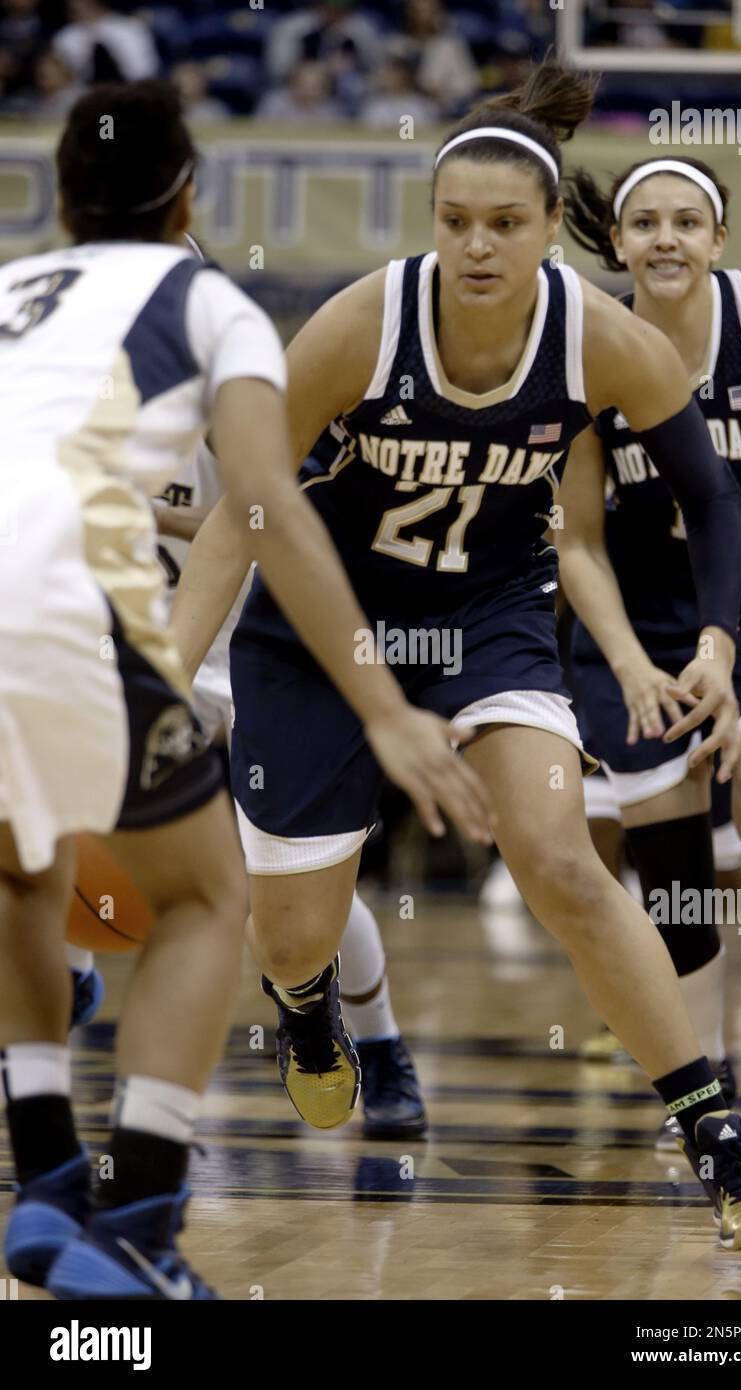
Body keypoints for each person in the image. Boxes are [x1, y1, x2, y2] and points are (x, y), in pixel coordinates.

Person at [172, 59, 741, 1249]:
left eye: (504, 225)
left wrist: (717, 639)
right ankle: (308, 1008)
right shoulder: (358, 324)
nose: (476, 248)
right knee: (294, 930)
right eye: (455, 223)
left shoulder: (605, 341)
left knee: (562, 857)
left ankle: (718, 1133)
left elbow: (711, 496)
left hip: (487, 621)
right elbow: (244, 510)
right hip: (322, 628)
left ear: (550, 230)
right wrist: (161, 681)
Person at [0, 80, 483, 1301]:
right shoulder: (213, 305)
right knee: (214, 904)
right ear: (189, 199)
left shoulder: (12, 294)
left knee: (33, 874)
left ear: (56, 200)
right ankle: (140, 1227)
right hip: (105, 617)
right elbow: (268, 509)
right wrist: (381, 702)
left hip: (120, 632)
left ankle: (48, 1181)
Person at [558, 157, 741, 1147]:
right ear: (618, 244)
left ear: (718, 239)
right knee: (672, 897)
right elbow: (576, 537)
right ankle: (714, 1123)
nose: (666, 237)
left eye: (687, 221)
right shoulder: (586, 354)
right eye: (646, 223)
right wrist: (626, 660)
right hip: (644, 621)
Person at [154, 416, 427, 1141]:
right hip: (143, 651)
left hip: (243, 641)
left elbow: (264, 510)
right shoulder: (59, 417)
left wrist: (148, 515)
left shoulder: (207, 398)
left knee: (294, 876)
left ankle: (380, 1043)